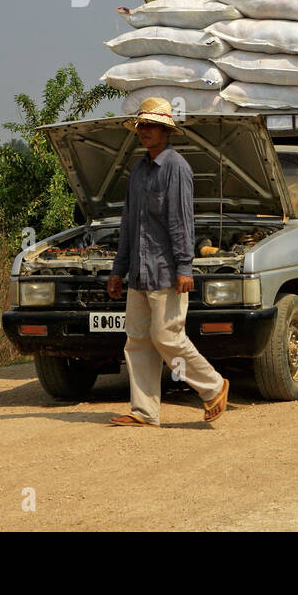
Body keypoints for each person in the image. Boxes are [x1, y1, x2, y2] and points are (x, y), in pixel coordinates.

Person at [106, 97, 229, 427]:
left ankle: (214, 386)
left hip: (165, 270)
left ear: (166, 130)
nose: (144, 132)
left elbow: (180, 222)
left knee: (167, 337)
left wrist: (184, 267)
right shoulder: (138, 170)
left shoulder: (176, 168)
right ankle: (144, 411)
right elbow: (129, 223)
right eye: (140, 126)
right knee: (138, 342)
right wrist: (119, 270)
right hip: (139, 274)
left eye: (150, 126)